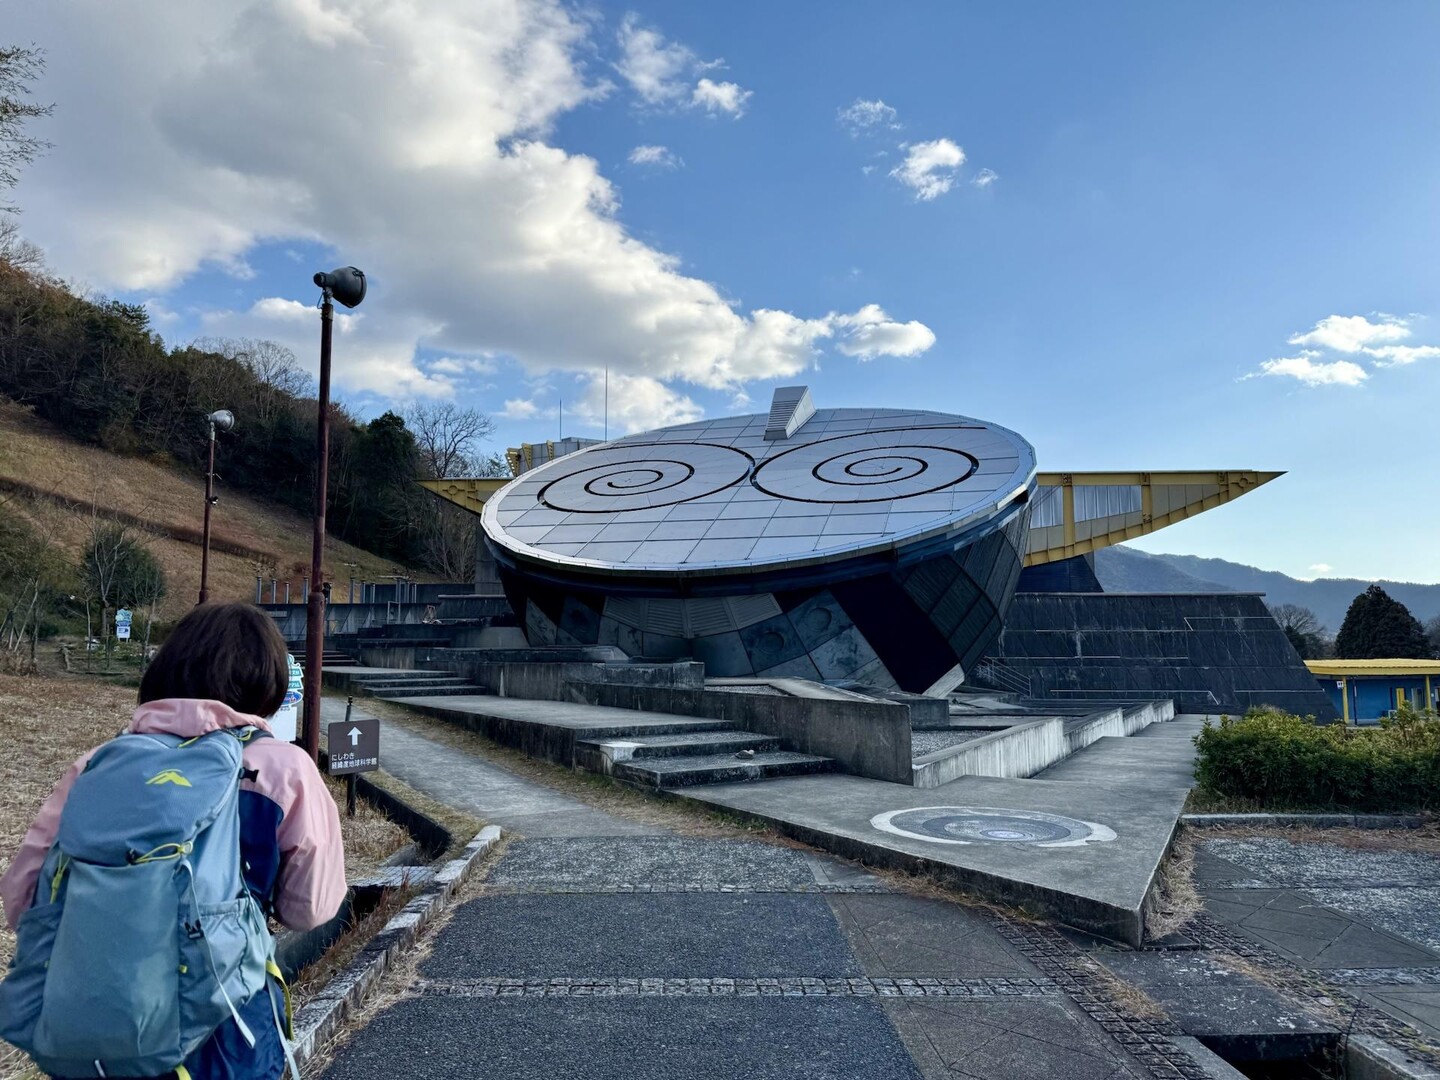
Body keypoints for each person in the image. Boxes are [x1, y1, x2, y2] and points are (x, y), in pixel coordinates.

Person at [0, 602, 347, 1079]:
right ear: (266, 681)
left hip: (98, 1037)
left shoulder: (98, 765)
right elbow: (311, 907)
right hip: (225, 1034)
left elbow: (23, 900)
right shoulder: (282, 770)